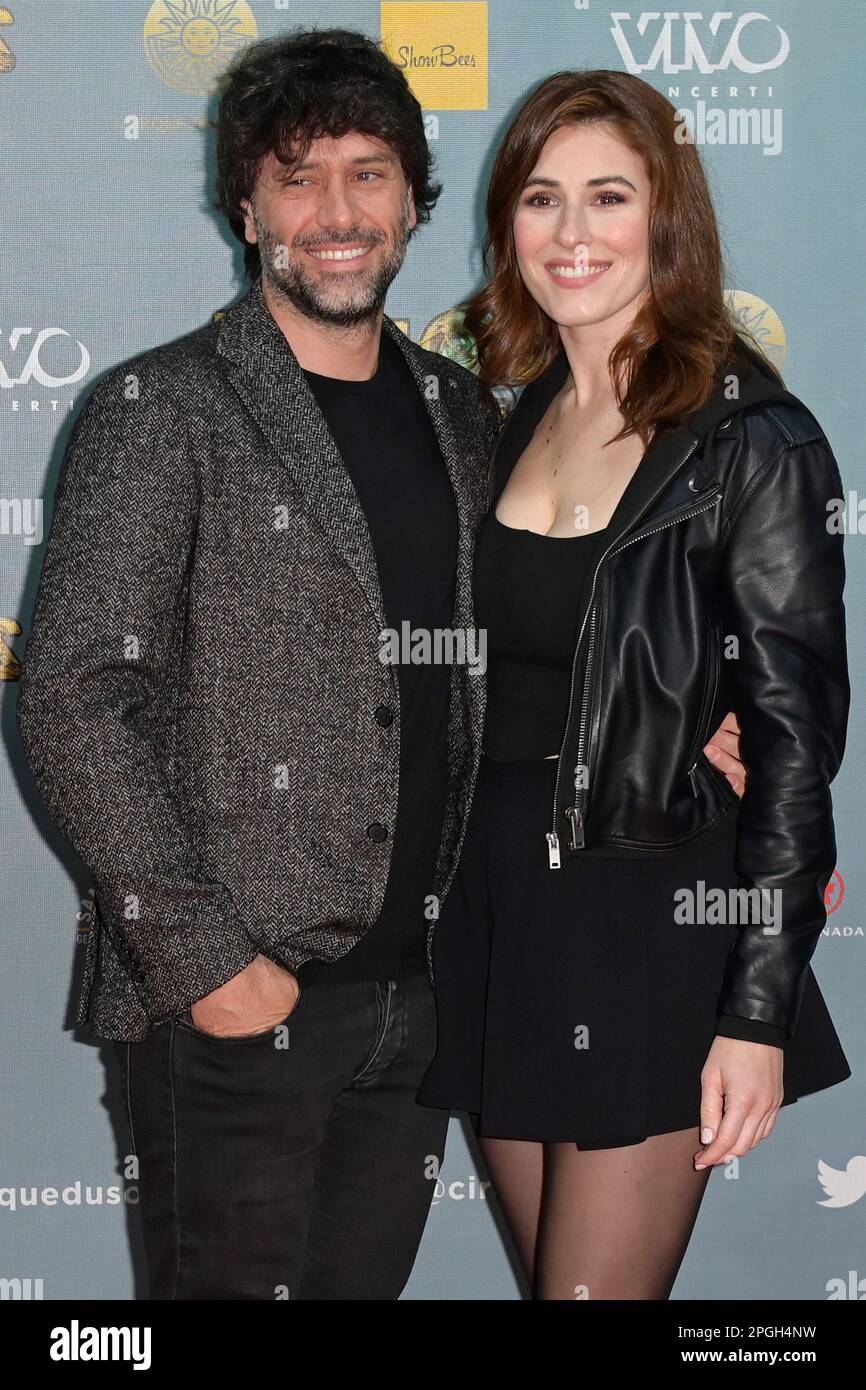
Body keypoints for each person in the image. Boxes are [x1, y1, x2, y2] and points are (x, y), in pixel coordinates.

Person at [16, 33, 744, 1301]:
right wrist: (210, 966)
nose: (337, 214)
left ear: (414, 200)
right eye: (297, 178)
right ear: (243, 207)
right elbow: (76, 698)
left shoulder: (471, 417)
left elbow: (527, 642)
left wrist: (682, 727)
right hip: (236, 1005)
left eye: (370, 174)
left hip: (428, 998)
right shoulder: (161, 410)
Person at [416, 69, 851, 1301]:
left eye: (607, 196)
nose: (570, 233)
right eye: (540, 198)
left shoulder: (750, 439)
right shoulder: (510, 415)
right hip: (501, 906)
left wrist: (754, 1012)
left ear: (667, 218)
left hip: (651, 918)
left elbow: (787, 749)